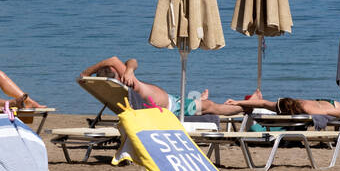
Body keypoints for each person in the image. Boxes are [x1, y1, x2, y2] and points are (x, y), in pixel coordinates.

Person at [78, 56, 234, 117]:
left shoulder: (122, 83)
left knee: (197, 102)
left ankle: (197, 99)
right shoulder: (130, 83)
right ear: (118, 77)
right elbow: (112, 60)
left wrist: (129, 70)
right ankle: (243, 106)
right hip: (175, 108)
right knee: (212, 107)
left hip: (172, 101)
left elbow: (130, 61)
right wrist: (85, 72)